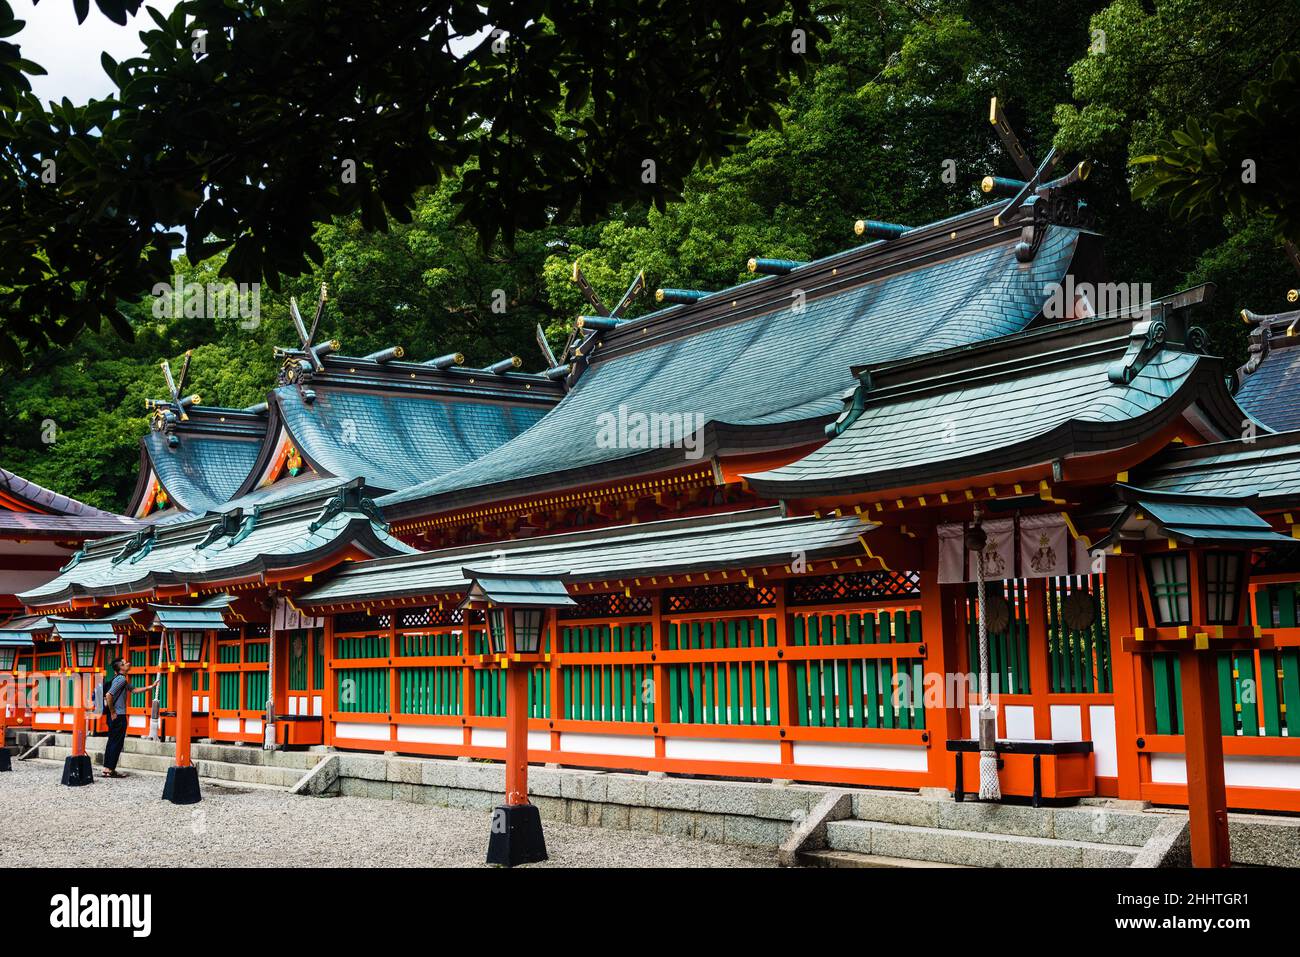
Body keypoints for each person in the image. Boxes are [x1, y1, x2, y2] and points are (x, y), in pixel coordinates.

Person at [101, 657, 159, 779]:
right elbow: (109, 695)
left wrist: (150, 687)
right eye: (124, 663)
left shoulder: (120, 679)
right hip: (118, 716)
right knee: (116, 743)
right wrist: (112, 711)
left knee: (112, 741)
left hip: (114, 717)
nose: (128, 663)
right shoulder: (121, 679)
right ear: (121, 667)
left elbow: (134, 690)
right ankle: (110, 769)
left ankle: (107, 769)